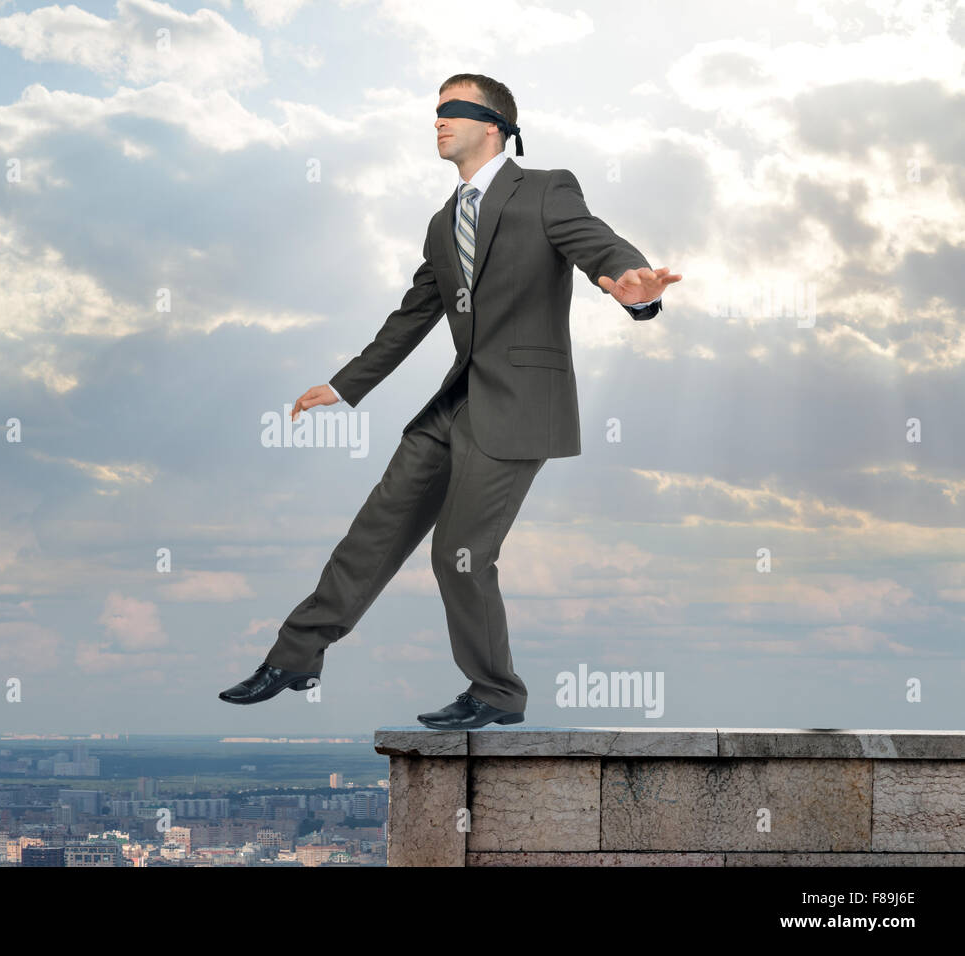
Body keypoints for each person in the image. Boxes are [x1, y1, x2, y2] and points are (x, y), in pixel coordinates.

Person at [219, 73, 681, 729]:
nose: (437, 122)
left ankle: (496, 692)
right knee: (371, 533)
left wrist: (633, 286)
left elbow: (597, 243)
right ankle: (295, 657)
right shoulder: (444, 223)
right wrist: (346, 383)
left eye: (453, 111)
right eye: (434, 112)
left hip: (520, 407)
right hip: (452, 407)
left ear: (492, 124)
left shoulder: (546, 190)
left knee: (458, 553)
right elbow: (412, 316)